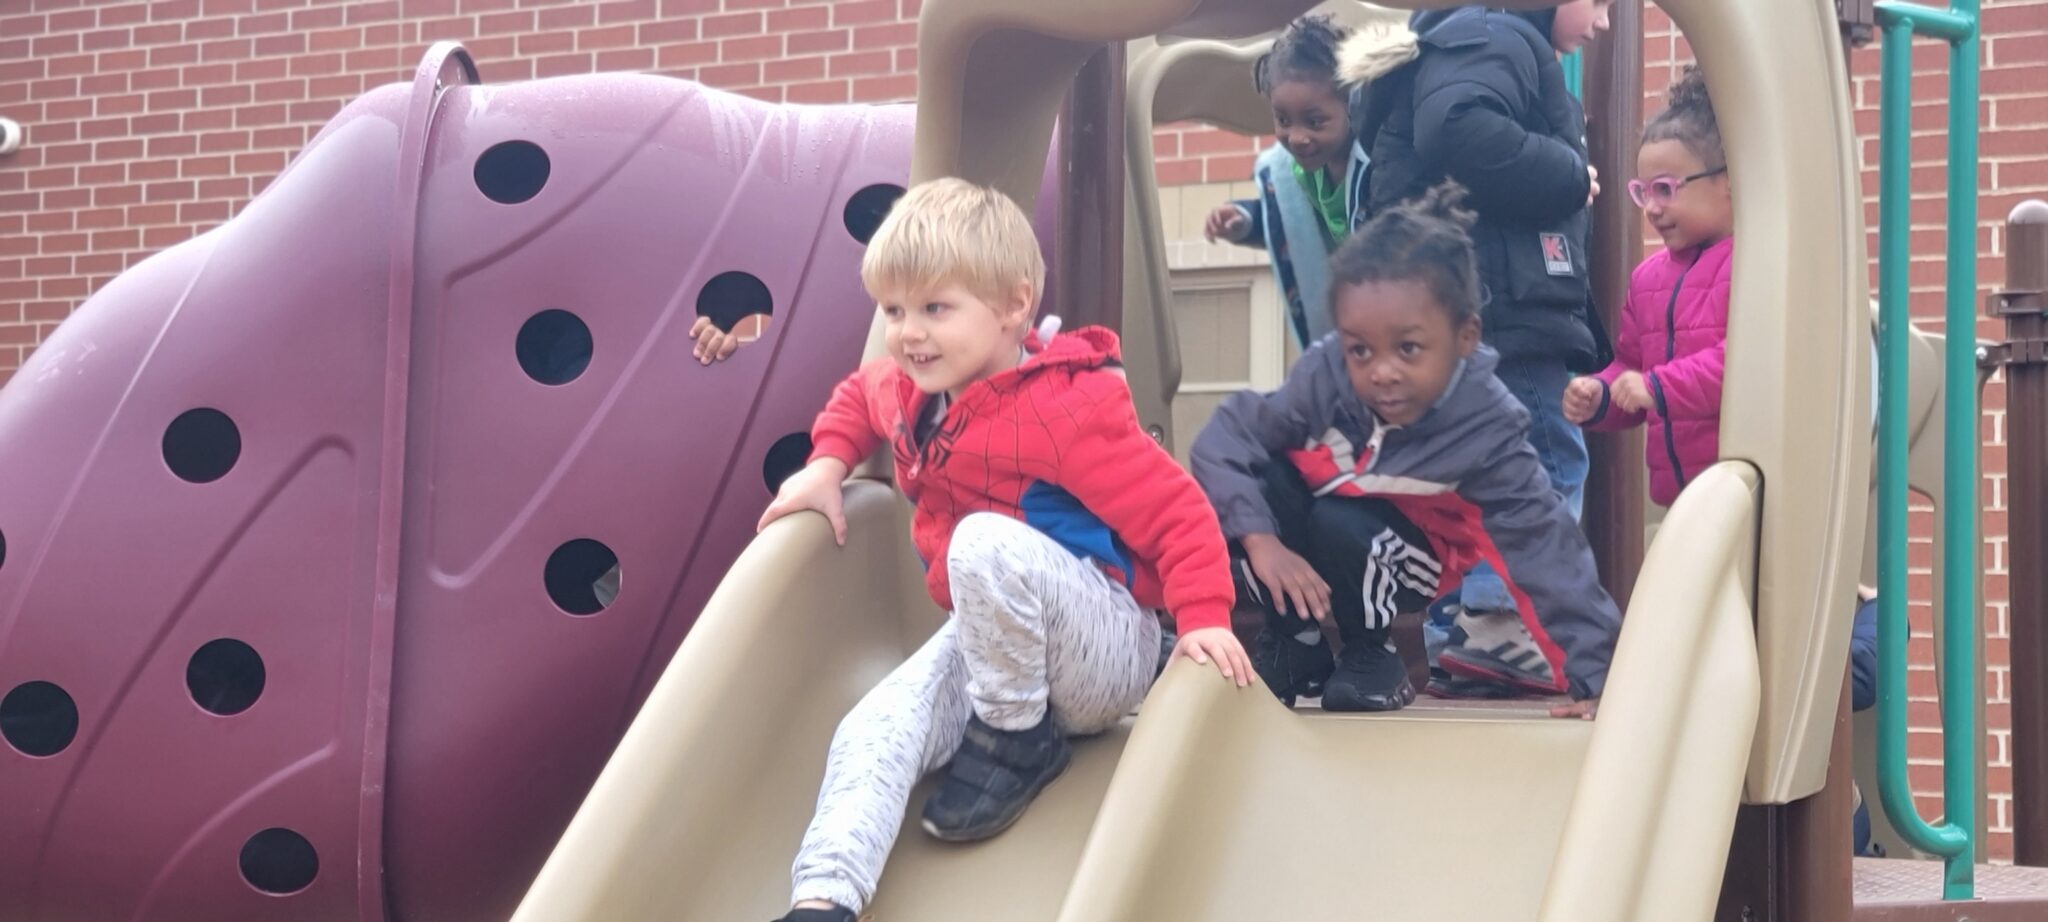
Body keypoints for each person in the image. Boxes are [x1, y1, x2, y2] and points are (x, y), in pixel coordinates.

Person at [762, 178, 1251, 922]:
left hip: (1103, 646)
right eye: (893, 311)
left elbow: (1175, 508)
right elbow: (860, 395)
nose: (908, 333)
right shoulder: (913, 389)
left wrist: (1207, 614)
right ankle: (824, 899)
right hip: (997, 646)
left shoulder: (1067, 409)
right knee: (874, 726)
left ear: (1013, 306)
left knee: (981, 541)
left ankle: (1019, 743)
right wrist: (828, 463)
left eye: (935, 308)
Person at [1189, 182, 1619, 716]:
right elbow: (1227, 437)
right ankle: (1296, 644)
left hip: (1415, 557)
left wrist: (1595, 676)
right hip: (1329, 532)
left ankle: (1373, 652)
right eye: (1360, 349)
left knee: (1337, 521)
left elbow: (1543, 547)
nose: (1381, 372)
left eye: (1408, 348)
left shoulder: (1483, 425)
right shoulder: (1329, 375)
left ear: (1465, 337)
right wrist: (1262, 545)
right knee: (1259, 483)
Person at [1346, 0, 1614, 519]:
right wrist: (1571, 174)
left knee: (1473, 472)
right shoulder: (1494, 34)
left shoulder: (1467, 39)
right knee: (1545, 464)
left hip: (1466, 303)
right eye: (1599, 1)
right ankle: (1507, 598)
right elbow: (1458, 125)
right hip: (1504, 313)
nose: (1603, 21)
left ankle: (1473, 597)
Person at [1562, 65, 1731, 506]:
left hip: (1738, 495)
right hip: (1677, 501)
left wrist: (1656, 387)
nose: (1652, 208)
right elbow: (1630, 369)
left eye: (1666, 189)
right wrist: (1600, 394)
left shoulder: (1749, 263)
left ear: (1728, 182)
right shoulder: (1647, 279)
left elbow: (1740, 364)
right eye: (1644, 191)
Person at [1202, 14, 1419, 348]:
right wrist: (1244, 221)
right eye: (1283, 120)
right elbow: (1293, 224)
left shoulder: (1378, 169)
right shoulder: (1293, 174)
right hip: (1345, 328)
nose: (1297, 137)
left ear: (1353, 105)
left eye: (1315, 121)